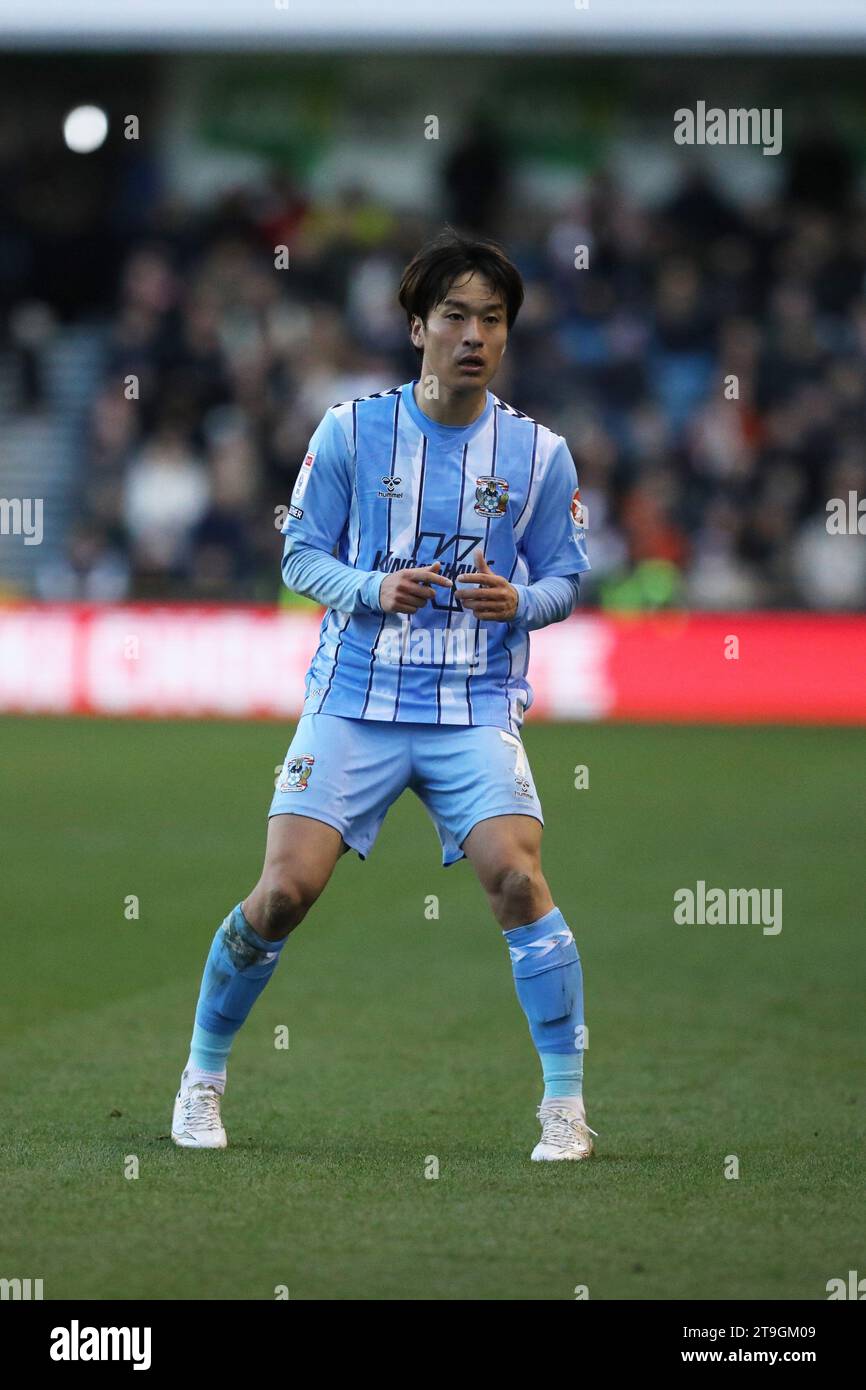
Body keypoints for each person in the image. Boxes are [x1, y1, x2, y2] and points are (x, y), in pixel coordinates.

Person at [171, 227, 595, 1161]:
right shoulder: (350, 431)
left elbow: (568, 579)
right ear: (416, 327)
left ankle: (563, 1107)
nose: (474, 334)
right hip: (354, 699)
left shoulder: (539, 455)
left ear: (508, 336)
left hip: (471, 708)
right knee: (282, 893)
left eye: (492, 319)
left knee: (518, 880)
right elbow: (297, 554)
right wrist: (368, 587)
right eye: (455, 316)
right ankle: (202, 1078)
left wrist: (520, 601)